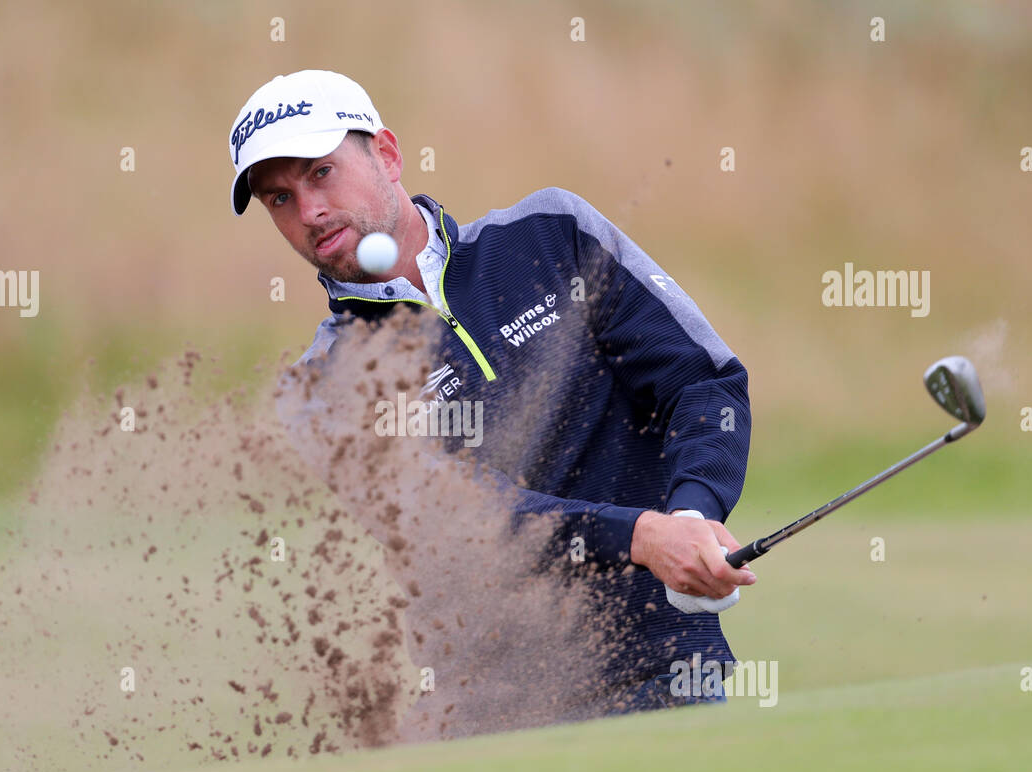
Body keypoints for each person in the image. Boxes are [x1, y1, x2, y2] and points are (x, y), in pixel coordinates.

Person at [229, 69, 757, 725]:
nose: (308, 211)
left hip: (665, 666)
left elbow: (703, 384)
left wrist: (691, 513)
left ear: (386, 155)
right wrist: (641, 538)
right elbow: (462, 524)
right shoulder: (322, 385)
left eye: (320, 173)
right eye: (278, 198)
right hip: (500, 712)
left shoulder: (551, 238)